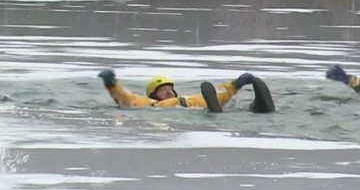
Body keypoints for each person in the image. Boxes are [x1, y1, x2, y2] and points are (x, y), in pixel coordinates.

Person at [96, 70, 274, 113]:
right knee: (216, 109)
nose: (168, 92)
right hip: (197, 113)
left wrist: (236, 84)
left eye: (170, 89)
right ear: (153, 95)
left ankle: (256, 107)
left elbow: (220, 96)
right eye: (162, 90)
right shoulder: (147, 103)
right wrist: (111, 83)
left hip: (198, 107)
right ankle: (218, 112)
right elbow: (124, 97)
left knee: (220, 101)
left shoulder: (188, 99)